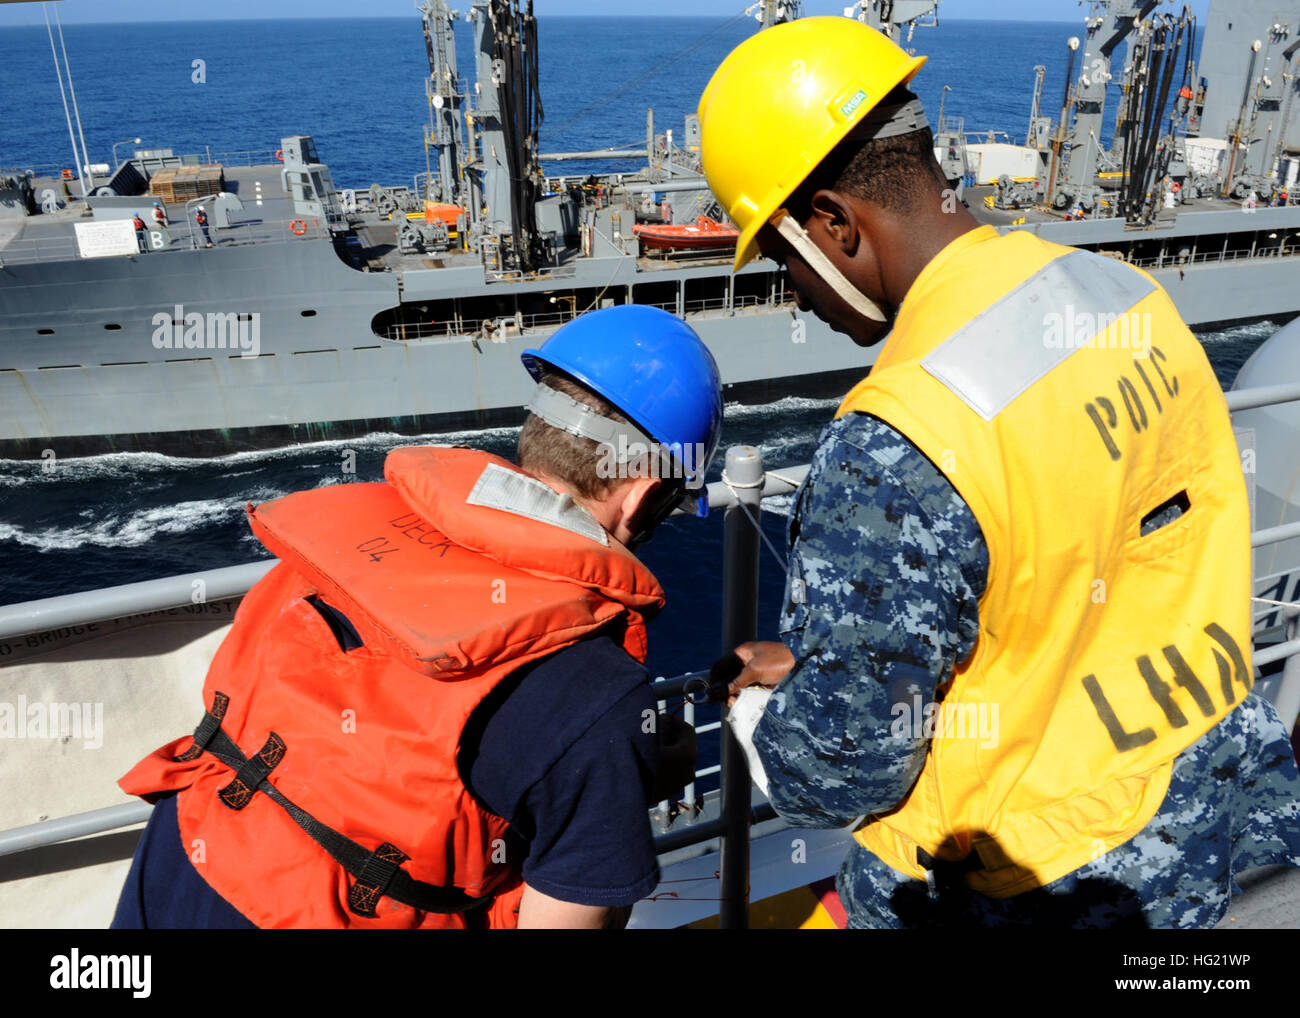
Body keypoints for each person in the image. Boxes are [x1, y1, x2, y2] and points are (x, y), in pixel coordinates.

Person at [697, 16, 1300, 929]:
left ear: (834, 223)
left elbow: (843, 766)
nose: (790, 288)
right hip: (1193, 810)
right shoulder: (1123, 296)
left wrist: (763, 725)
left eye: (781, 253)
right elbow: (1068, 568)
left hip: (1021, 885)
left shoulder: (897, 434)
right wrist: (835, 666)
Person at [111, 304, 724, 929]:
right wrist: (623, 782)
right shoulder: (598, 704)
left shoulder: (329, 555)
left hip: (171, 880)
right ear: (646, 495)